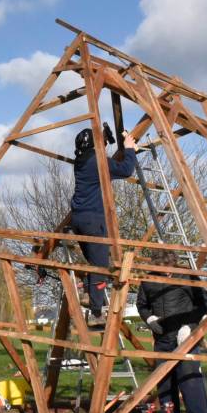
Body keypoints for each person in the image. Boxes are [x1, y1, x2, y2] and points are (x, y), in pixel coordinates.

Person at [136, 249, 207, 413]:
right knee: (164, 380)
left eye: (168, 267)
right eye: (161, 268)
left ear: (173, 263)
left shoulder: (188, 277)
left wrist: (190, 327)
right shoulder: (148, 280)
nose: (165, 271)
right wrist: (149, 319)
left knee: (189, 377)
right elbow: (142, 305)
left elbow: (203, 305)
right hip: (162, 338)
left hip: (185, 337)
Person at [70, 123, 137, 318]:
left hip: (78, 219)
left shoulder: (81, 160)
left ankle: (89, 295)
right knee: (100, 264)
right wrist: (130, 149)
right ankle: (96, 308)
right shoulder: (98, 162)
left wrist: (104, 141)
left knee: (93, 261)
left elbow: (103, 166)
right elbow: (125, 170)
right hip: (93, 219)